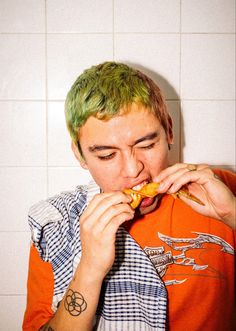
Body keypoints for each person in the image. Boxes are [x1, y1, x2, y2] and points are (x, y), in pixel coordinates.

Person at [23, 62, 236, 331]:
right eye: (107, 155)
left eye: (147, 145)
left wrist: (232, 215)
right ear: (79, 155)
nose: (134, 169)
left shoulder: (219, 190)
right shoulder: (55, 225)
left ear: (169, 131)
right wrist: (89, 269)